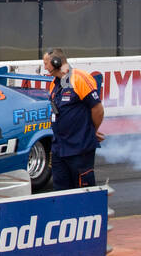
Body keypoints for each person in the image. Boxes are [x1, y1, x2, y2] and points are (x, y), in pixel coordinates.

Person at [42, 48, 104, 190]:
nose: (45, 67)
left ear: (56, 62)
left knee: (83, 190)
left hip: (79, 148)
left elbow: (98, 109)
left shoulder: (80, 78)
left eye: (46, 63)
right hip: (59, 149)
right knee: (60, 191)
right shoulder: (54, 83)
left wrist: (92, 130)